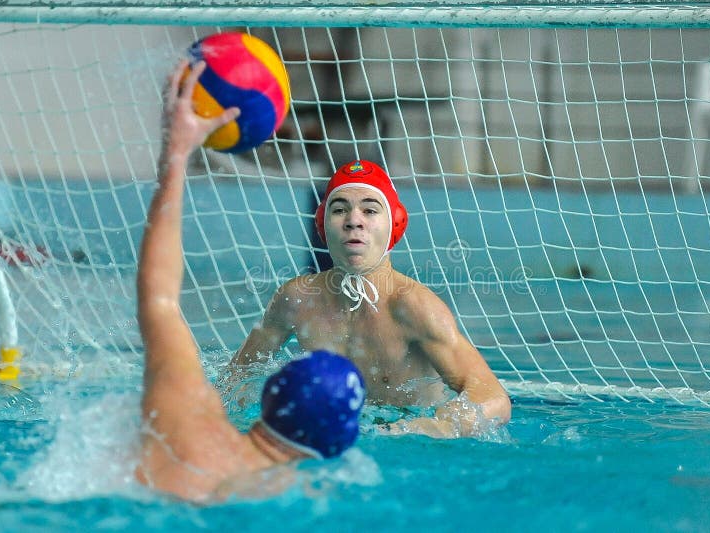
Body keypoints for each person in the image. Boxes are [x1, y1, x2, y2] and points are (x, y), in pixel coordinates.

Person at [135, 59, 366, 502]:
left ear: (267, 398)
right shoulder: (296, 498)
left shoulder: (188, 414)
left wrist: (176, 151)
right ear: (334, 450)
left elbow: (158, 298)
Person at [229, 160, 512, 437]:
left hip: (408, 446)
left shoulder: (415, 308)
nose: (354, 221)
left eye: (370, 210)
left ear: (395, 224)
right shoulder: (297, 299)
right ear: (322, 224)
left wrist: (438, 427)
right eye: (339, 209)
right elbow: (237, 378)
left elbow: (494, 398)